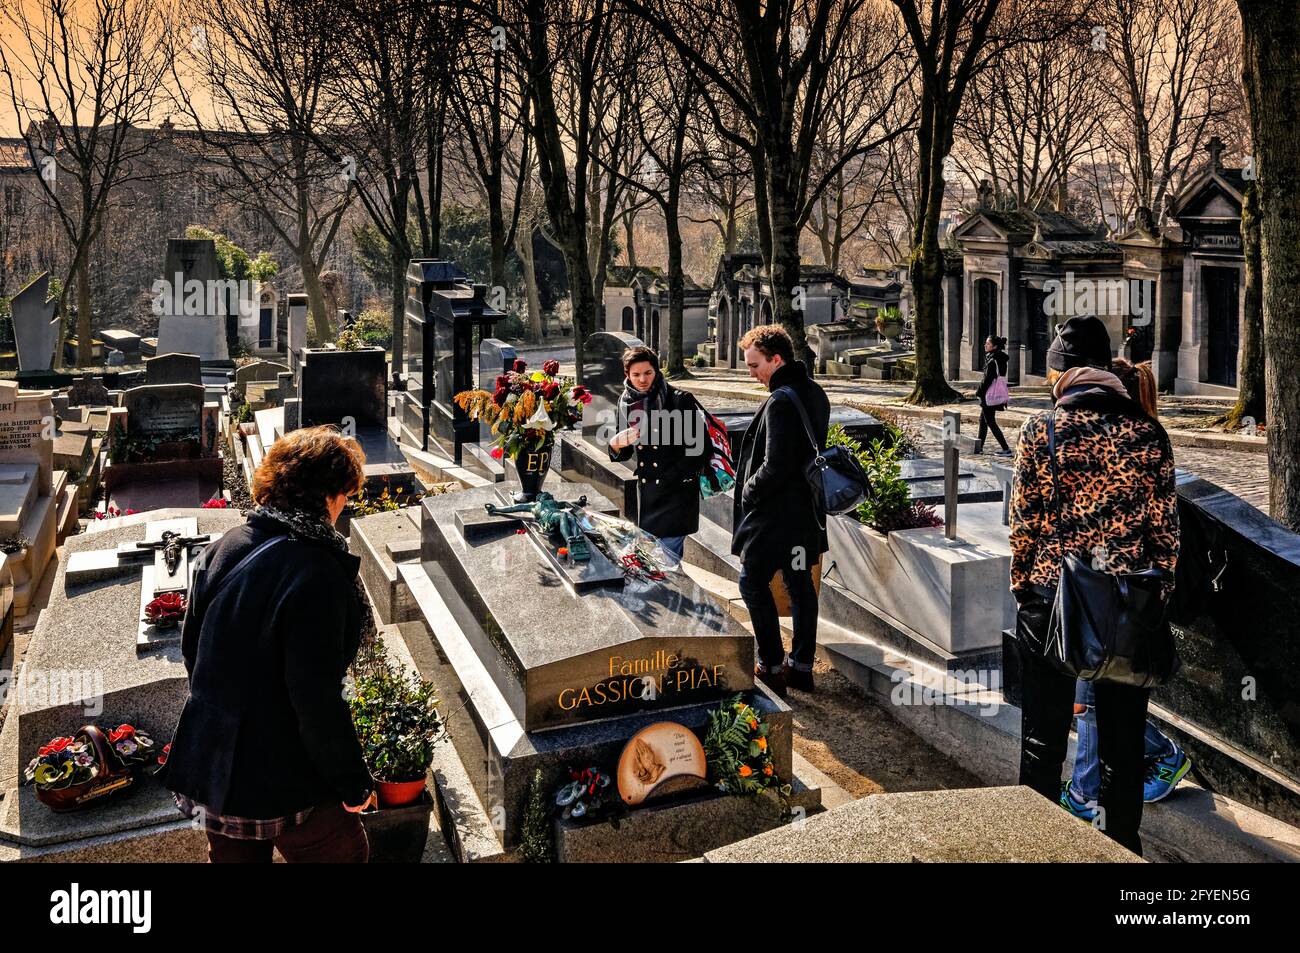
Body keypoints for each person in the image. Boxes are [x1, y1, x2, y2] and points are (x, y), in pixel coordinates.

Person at [163, 426, 377, 863]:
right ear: (326, 495)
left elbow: (193, 652)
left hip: (215, 770)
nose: (344, 506)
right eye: (344, 494)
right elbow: (316, 700)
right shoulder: (317, 573)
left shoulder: (225, 547)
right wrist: (353, 783)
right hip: (284, 777)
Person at [1009, 316, 1179, 855]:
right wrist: (1153, 599)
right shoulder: (1149, 433)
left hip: (1053, 600)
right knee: (1123, 745)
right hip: (1128, 606)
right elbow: (1166, 538)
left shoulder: (1042, 430)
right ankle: (1121, 848)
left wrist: (1025, 589)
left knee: (1043, 737)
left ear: (1062, 374)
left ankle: (1038, 847)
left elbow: (1024, 524)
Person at [1060, 358, 1191, 820]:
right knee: (1098, 696)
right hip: (1116, 594)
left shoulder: (1132, 438)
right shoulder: (1145, 437)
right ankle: (1093, 787)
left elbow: (1161, 531)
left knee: (1094, 696)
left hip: (1109, 595)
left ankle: (1083, 794)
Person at [731, 324, 830, 698]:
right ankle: (801, 667)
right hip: (806, 515)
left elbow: (775, 466)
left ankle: (770, 666)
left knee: (752, 582)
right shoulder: (815, 392)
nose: (751, 373)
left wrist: (748, 493)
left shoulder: (781, 400)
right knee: (801, 585)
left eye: (755, 365)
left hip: (774, 517)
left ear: (776, 359)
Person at [608, 345, 708, 565]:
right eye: (636, 375)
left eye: (648, 373)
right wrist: (615, 444)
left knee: (664, 563)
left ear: (657, 370)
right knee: (655, 564)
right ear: (627, 375)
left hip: (677, 495)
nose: (642, 379)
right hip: (648, 495)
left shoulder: (680, 400)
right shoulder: (626, 403)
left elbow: (701, 449)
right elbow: (623, 451)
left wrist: (673, 475)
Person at [973, 335, 1012, 456]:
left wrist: (979, 392)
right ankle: (979, 447)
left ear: (994, 346)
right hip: (993, 395)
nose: (985, 345)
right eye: (986, 343)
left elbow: (987, 380)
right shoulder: (999, 358)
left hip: (989, 395)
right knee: (983, 421)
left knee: (990, 422)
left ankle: (1006, 449)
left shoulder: (992, 361)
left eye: (988, 344)